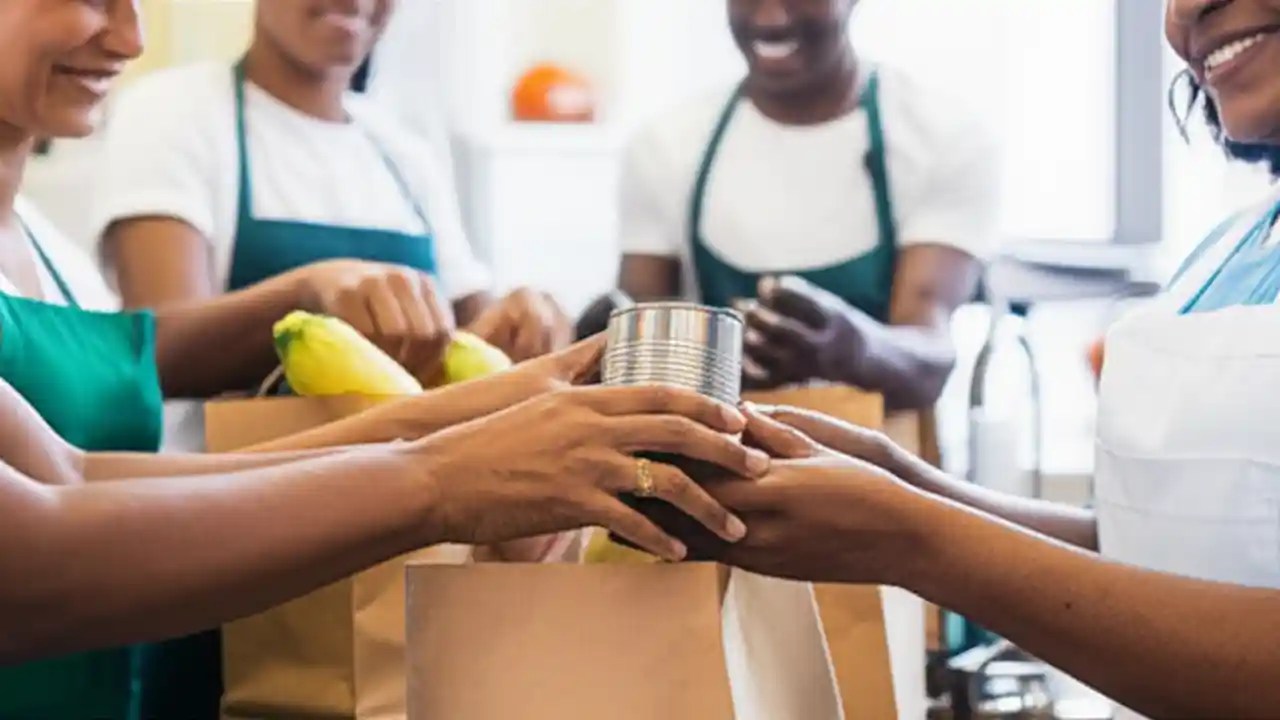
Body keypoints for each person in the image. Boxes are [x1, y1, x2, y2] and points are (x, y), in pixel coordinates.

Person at [0, 3, 765, 718]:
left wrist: (474, 413)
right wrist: (440, 475)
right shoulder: (183, 115)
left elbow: (75, 476)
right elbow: (33, 555)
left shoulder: (50, 248)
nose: (130, 39)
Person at [689, 1, 1280, 716]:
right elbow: (1155, 542)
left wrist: (909, 537)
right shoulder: (1230, 253)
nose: (1186, 10)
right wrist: (899, 478)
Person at [94, 0, 569, 376]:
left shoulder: (403, 150)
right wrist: (305, 295)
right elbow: (153, 351)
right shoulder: (173, 112)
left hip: (412, 480)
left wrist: (524, 318)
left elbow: (475, 329)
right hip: (229, 482)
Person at [617, 0, 997, 409]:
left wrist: (854, 349)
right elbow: (636, 338)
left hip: (880, 465)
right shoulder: (666, 146)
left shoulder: (942, 139)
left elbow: (931, 360)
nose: (770, 17)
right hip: (711, 462)